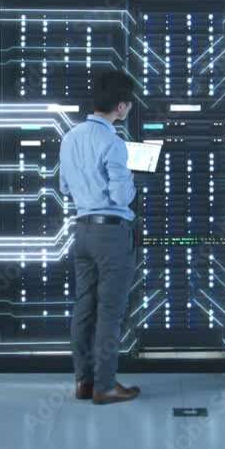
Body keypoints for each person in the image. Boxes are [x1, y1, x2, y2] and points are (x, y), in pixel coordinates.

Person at [59, 70, 141, 405]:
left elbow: (64, 187)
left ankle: (83, 381)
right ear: (121, 107)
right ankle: (104, 386)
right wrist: (130, 176)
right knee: (110, 311)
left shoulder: (70, 138)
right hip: (111, 234)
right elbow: (122, 197)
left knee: (84, 308)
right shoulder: (113, 143)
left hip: (82, 231)